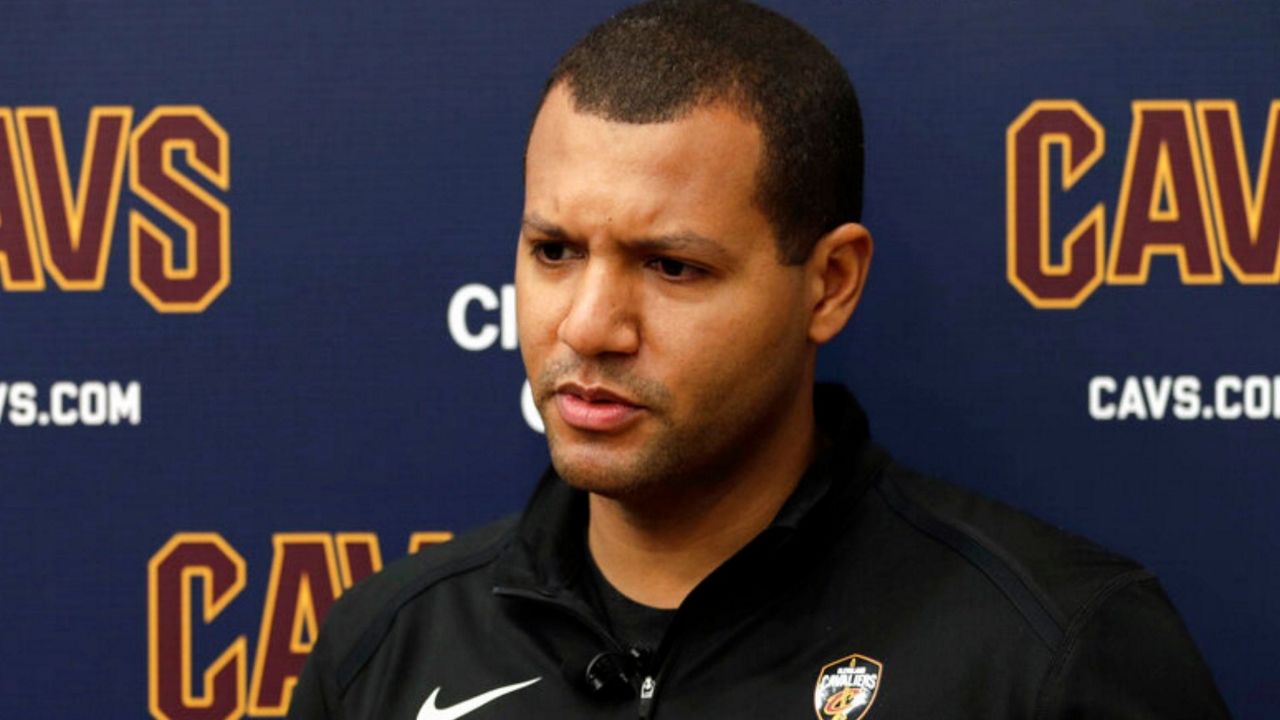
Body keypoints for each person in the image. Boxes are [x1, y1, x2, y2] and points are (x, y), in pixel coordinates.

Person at [289, 1, 1230, 717]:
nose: (587, 327)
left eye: (672, 266)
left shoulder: (1049, 652)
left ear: (828, 284)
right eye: (555, 252)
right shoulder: (387, 646)